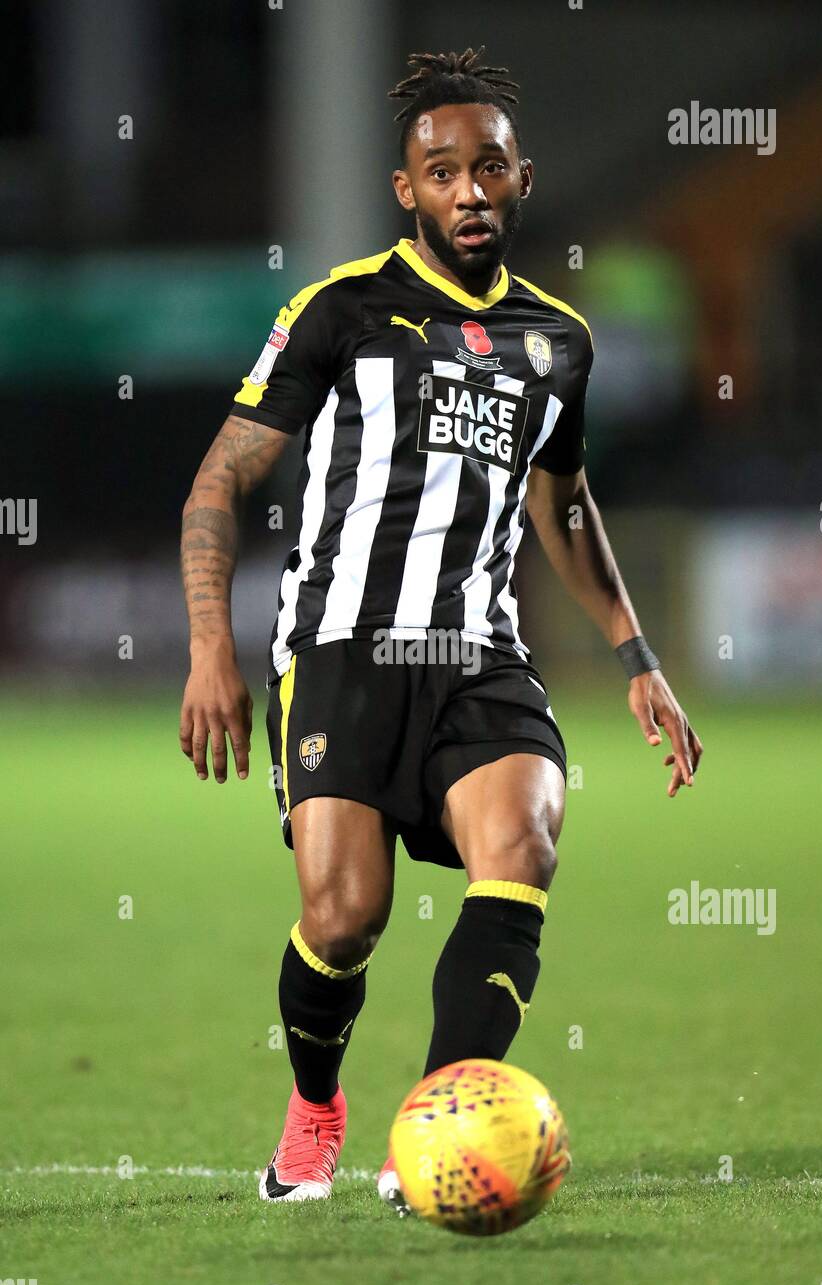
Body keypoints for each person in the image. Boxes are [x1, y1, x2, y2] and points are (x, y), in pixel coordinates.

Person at [179, 47, 702, 1210]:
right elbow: (219, 480)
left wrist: (637, 651)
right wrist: (213, 645)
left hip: (480, 657)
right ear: (406, 191)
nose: (470, 189)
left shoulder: (559, 342)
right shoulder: (338, 310)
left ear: (521, 179)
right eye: (443, 171)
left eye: (490, 168)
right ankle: (316, 1108)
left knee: (521, 851)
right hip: (343, 649)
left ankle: (433, 1143)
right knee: (344, 913)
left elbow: (562, 503)